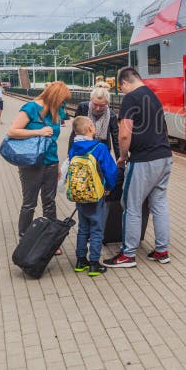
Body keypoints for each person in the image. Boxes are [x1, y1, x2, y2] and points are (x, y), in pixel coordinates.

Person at [103, 66, 173, 268]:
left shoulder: (131, 98)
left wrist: (123, 157)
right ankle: (162, 250)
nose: (122, 91)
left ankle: (127, 254)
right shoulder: (152, 96)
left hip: (144, 160)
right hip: (164, 157)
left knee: (131, 206)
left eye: (121, 88)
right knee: (159, 204)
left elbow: (124, 134)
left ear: (125, 83)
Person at [7, 81, 71, 251]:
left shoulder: (56, 111)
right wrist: (38, 131)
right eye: (62, 100)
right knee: (29, 203)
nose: (63, 104)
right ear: (55, 97)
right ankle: (25, 241)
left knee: (49, 202)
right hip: (31, 163)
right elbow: (12, 131)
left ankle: (50, 240)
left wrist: (57, 164)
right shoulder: (30, 108)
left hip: (50, 162)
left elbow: (53, 141)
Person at [69, 116, 118, 276]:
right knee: (97, 229)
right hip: (96, 195)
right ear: (90, 127)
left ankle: (80, 261)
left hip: (80, 195)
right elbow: (111, 171)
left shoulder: (74, 147)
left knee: (83, 229)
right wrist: (109, 188)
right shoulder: (100, 147)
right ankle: (94, 264)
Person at [67, 86, 118, 156]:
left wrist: (120, 160)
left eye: (102, 105)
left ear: (107, 104)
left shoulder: (111, 115)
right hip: (83, 150)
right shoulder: (83, 108)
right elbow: (74, 132)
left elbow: (116, 139)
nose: (98, 108)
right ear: (91, 100)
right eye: (95, 104)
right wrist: (70, 153)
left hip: (102, 151)